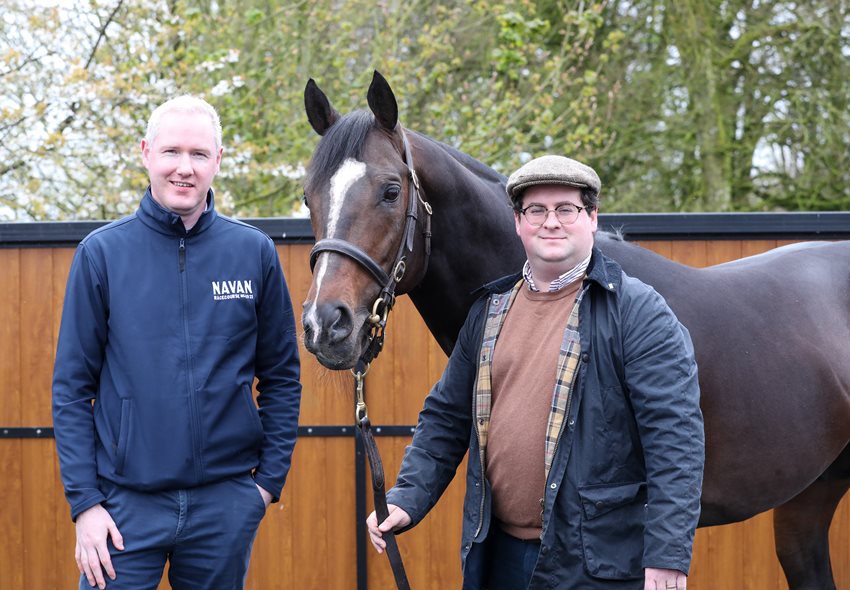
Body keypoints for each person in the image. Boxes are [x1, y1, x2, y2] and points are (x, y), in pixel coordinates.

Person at [367, 155, 704, 589]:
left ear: (592, 218)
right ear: (518, 222)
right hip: (498, 555)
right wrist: (407, 498)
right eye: (536, 211)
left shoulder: (638, 312)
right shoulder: (489, 313)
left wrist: (667, 553)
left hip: (596, 565)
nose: (551, 222)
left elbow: (676, 441)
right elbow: (446, 418)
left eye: (567, 209)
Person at [52, 95, 302, 590]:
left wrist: (264, 487)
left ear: (218, 161)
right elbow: (72, 390)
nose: (183, 168)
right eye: (171, 152)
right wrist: (85, 504)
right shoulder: (101, 255)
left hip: (223, 507)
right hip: (123, 512)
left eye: (198, 154)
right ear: (146, 153)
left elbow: (281, 376)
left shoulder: (252, 252)